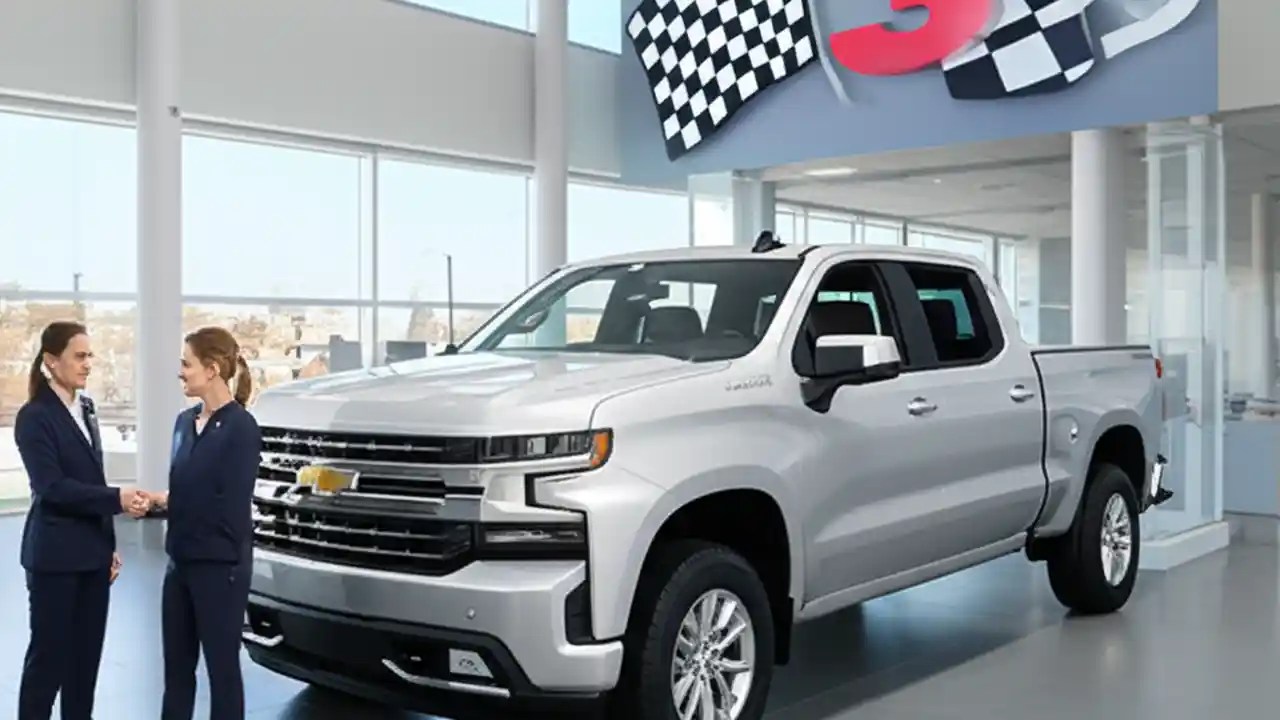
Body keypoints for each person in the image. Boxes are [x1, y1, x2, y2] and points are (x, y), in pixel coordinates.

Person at [16, 321, 147, 720]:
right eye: (80, 355)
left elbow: (91, 479)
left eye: (90, 355)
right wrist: (118, 499)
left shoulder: (86, 408)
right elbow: (52, 488)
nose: (88, 363)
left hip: (92, 558)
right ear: (52, 361)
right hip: (54, 559)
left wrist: (108, 546)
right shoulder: (34, 417)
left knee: (84, 667)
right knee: (48, 664)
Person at [139, 326, 262, 720]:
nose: (180, 372)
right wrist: (161, 502)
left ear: (211, 369)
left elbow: (230, 505)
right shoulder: (183, 422)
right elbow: (191, 488)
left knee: (222, 672)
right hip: (180, 564)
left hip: (219, 567)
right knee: (176, 671)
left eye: (185, 363)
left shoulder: (241, 428)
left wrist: (174, 504)